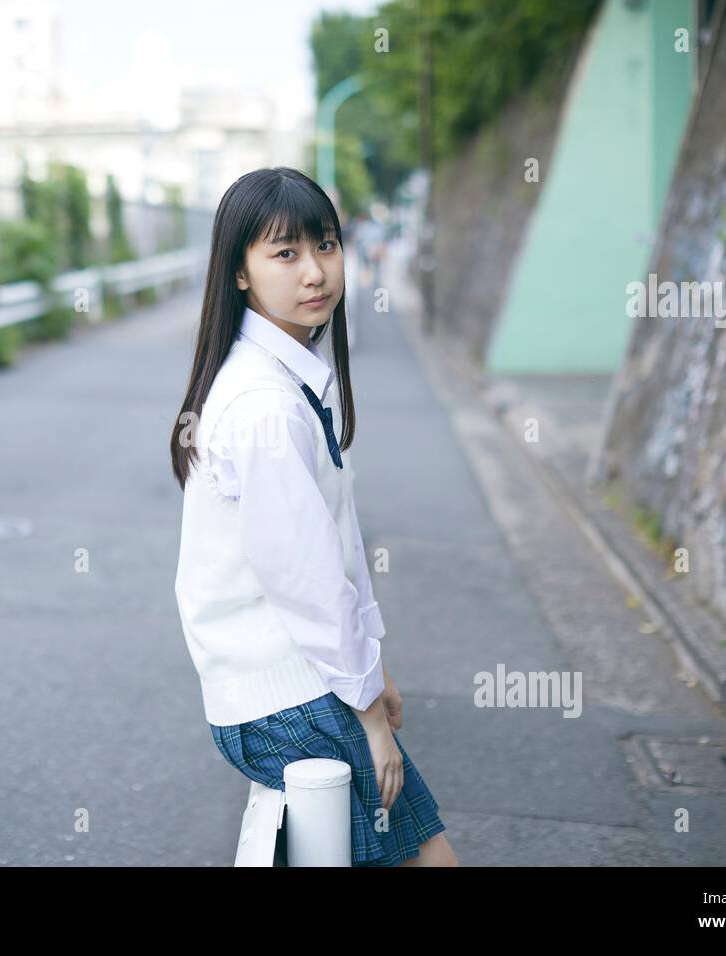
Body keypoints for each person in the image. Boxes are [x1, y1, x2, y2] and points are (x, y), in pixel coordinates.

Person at [168, 167, 458, 867]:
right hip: (290, 699)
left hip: (294, 688)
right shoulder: (264, 405)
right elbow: (306, 578)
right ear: (240, 272)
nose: (315, 271)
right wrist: (368, 713)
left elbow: (335, 548)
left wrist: (372, 669)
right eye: (285, 252)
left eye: (325, 245)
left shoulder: (283, 377)